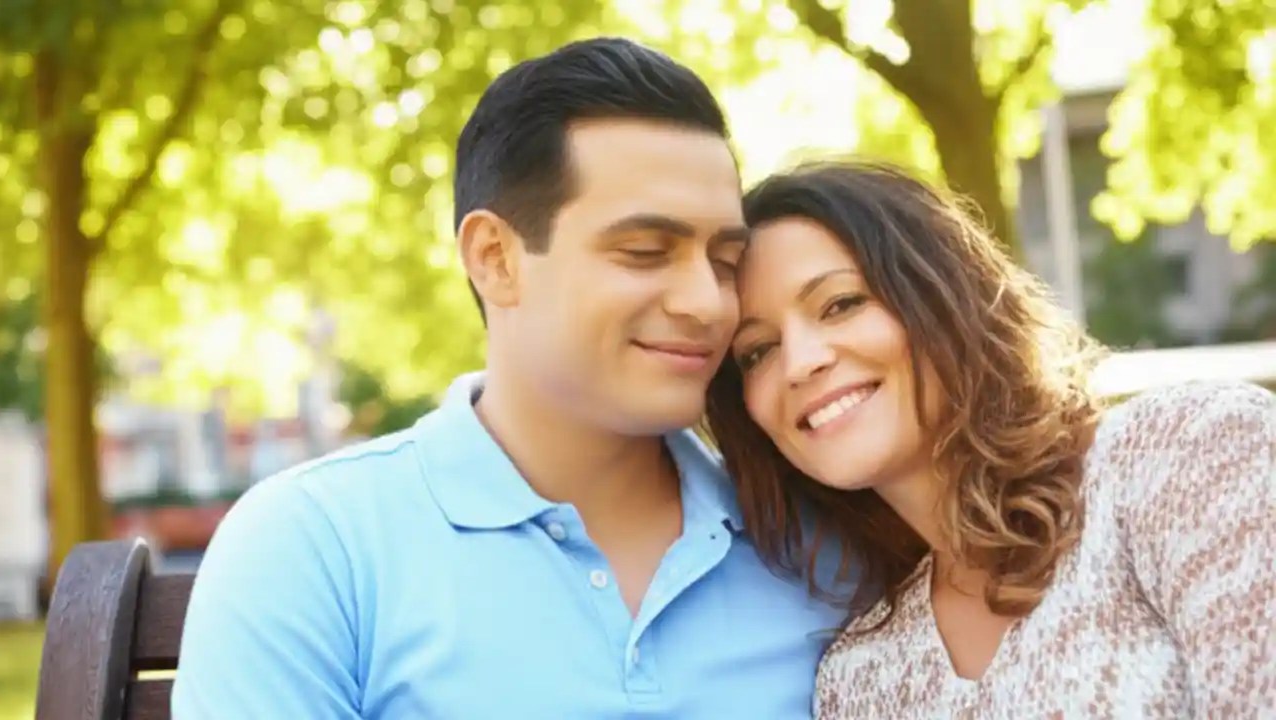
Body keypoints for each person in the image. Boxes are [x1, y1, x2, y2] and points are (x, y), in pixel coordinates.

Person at [172, 39, 849, 719]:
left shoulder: (818, 545)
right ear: (495, 258)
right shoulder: (314, 547)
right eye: (645, 253)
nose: (707, 304)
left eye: (726, 261)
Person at [705, 161, 1276, 718]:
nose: (800, 364)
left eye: (841, 304)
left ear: (940, 293)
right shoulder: (859, 681)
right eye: (758, 351)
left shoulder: (1185, 452)